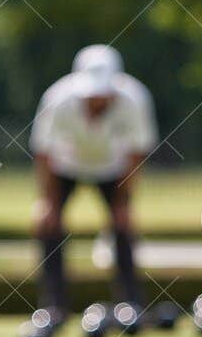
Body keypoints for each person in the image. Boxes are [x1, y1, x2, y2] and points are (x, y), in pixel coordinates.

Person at [28, 45, 157, 320]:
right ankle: (53, 307)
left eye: (103, 94)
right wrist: (47, 202)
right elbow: (43, 151)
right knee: (48, 225)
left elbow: (137, 153)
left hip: (114, 167)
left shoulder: (135, 99)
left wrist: (124, 203)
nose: (97, 101)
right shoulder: (57, 99)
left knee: (123, 227)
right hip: (66, 164)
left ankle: (132, 306)